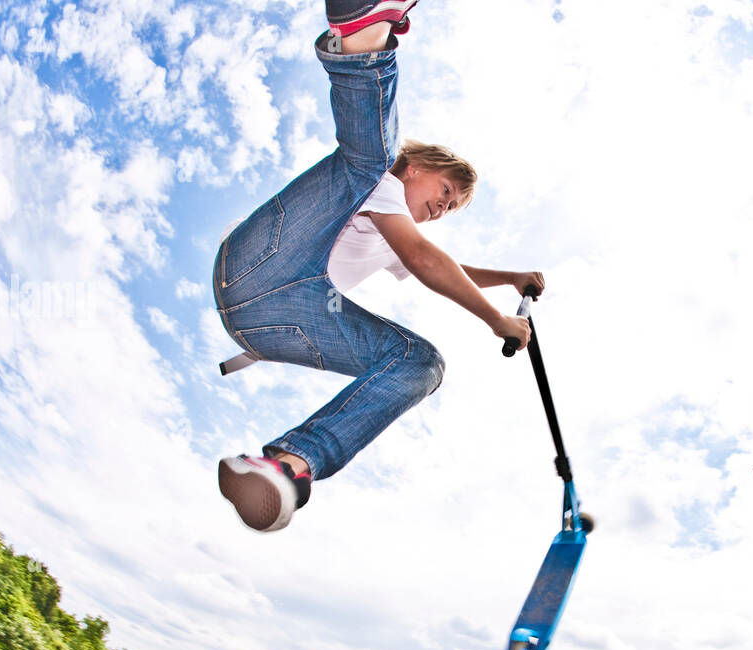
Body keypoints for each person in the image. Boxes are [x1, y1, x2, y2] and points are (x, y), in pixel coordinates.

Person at [211, 1, 544, 533]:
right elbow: (427, 259)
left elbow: (440, 264)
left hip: (278, 324)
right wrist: (496, 321)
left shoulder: (393, 233)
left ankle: (287, 468)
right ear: (417, 168)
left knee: (420, 364)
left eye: (452, 208)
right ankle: (363, 36)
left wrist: (510, 279)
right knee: (366, 163)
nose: (443, 208)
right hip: (260, 267)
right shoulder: (383, 183)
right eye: (445, 192)